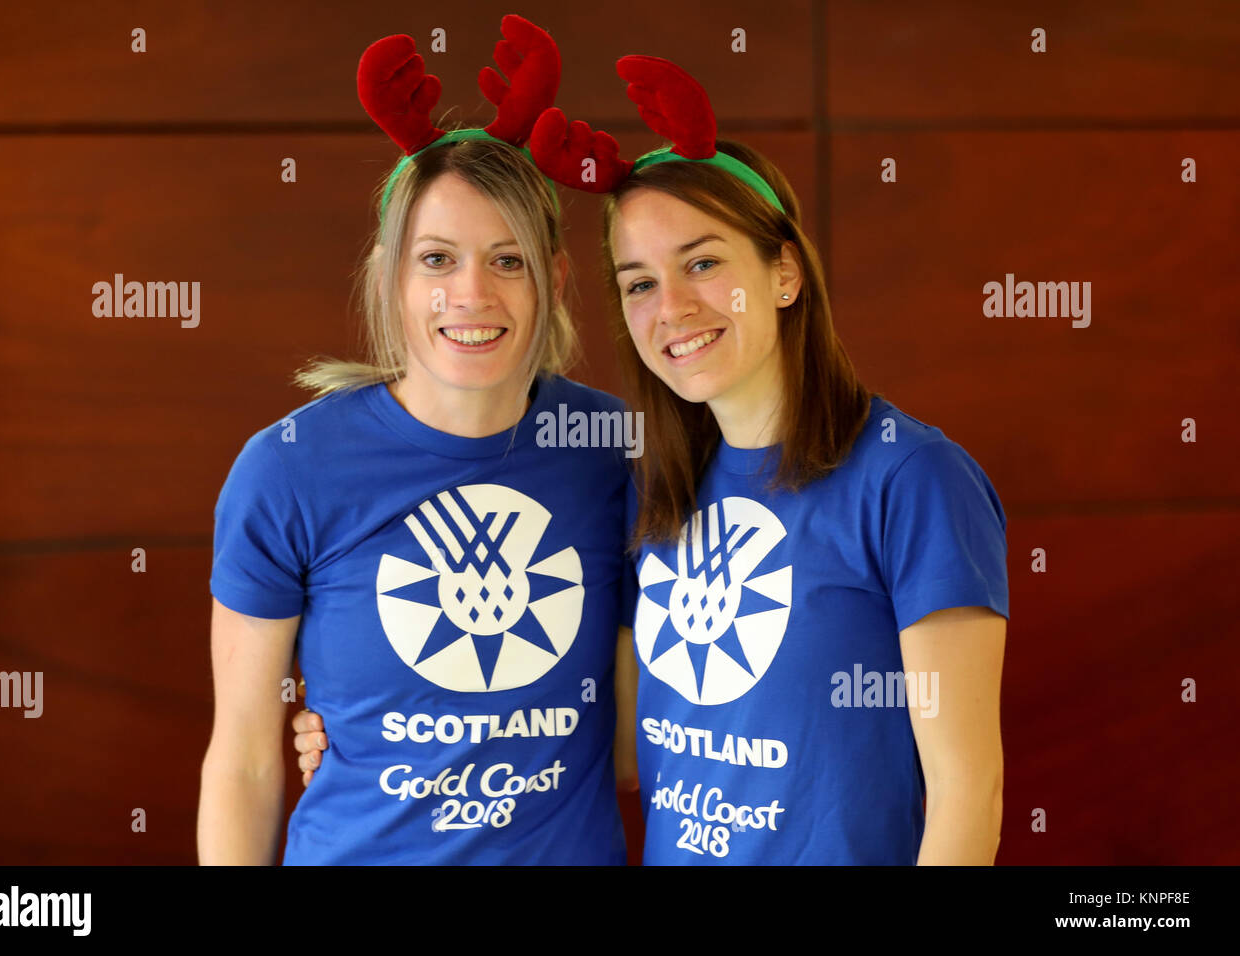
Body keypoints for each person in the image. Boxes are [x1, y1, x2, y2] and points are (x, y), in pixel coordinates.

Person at [295, 55, 1009, 866]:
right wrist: (358, 728)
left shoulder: (909, 478)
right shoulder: (652, 480)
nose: (672, 307)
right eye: (638, 282)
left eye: (703, 263)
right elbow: (624, 751)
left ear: (785, 273)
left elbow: (967, 791)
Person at [197, 17, 635, 865]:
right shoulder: (287, 469)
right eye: (437, 259)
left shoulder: (615, 451)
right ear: (392, 277)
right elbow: (246, 762)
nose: (470, 294)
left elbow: (639, 739)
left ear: (556, 277)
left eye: (507, 261)